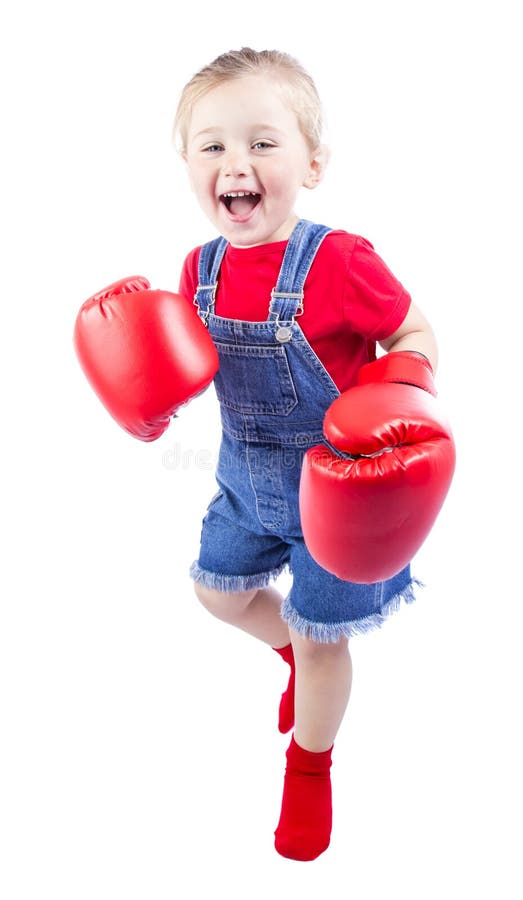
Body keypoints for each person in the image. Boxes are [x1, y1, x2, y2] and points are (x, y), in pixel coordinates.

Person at [171, 47, 440, 862]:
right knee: (215, 595)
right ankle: (292, 654)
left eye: (262, 142)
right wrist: (150, 401)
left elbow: (413, 332)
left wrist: (396, 395)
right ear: (186, 164)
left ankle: (309, 765)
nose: (236, 164)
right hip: (246, 488)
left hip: (345, 500)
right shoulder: (198, 270)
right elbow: (196, 369)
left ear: (311, 163)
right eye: (211, 146)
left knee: (329, 642)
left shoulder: (338, 260)